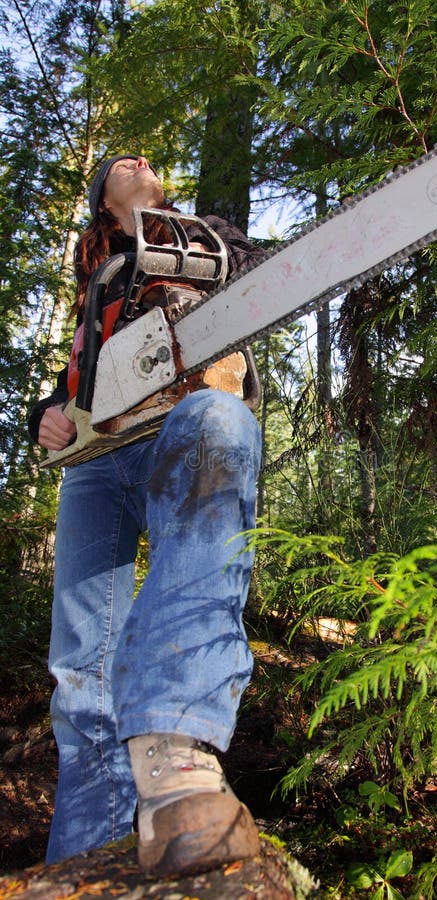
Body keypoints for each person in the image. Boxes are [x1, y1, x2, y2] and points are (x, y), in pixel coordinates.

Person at [28, 155, 264, 875]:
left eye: (146, 158)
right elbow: (80, 373)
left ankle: (175, 762)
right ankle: (84, 860)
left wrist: (210, 251)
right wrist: (48, 413)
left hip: (181, 421)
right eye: (117, 163)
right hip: (97, 458)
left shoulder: (204, 235)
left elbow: (260, 273)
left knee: (222, 423)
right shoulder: (94, 274)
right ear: (100, 199)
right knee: (80, 671)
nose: (135, 161)